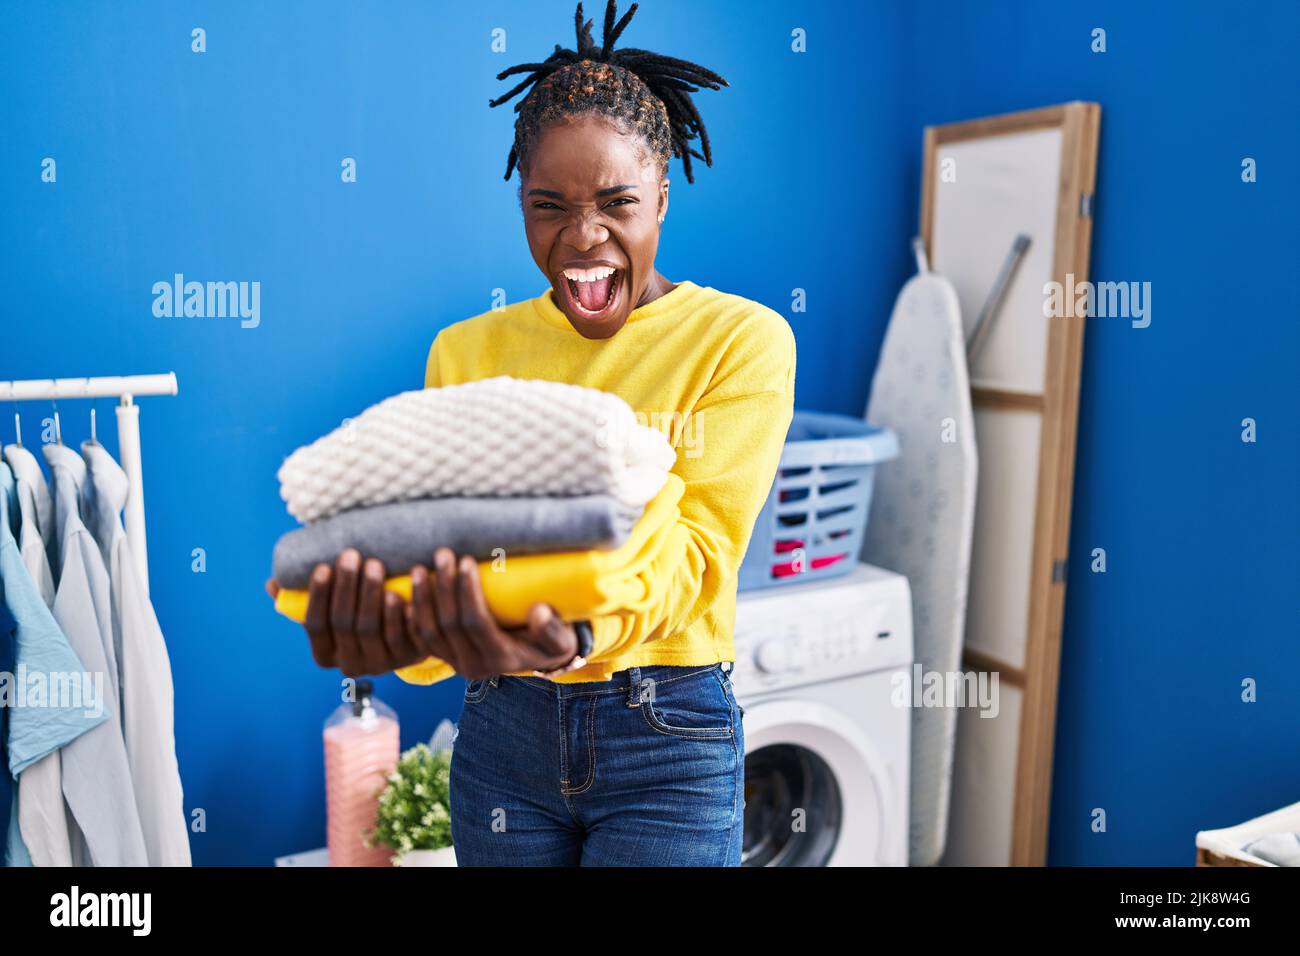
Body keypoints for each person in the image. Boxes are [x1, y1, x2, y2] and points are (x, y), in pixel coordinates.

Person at [269, 0, 795, 866]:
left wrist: (577, 632)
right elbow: (448, 557)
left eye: (618, 201)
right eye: (549, 206)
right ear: (521, 202)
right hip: (501, 737)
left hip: (665, 733)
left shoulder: (740, 341)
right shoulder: (469, 351)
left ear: (663, 192)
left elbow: (698, 554)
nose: (583, 239)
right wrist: (410, 637)